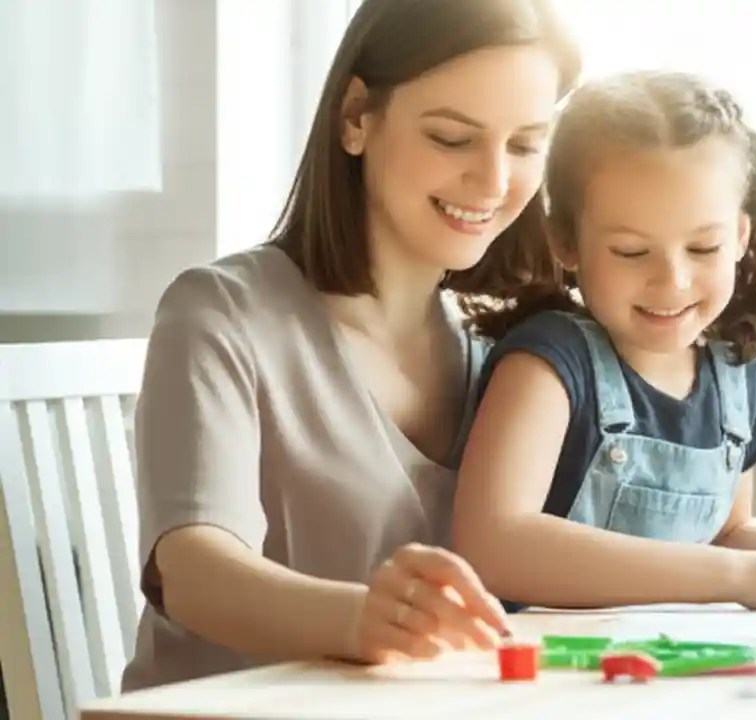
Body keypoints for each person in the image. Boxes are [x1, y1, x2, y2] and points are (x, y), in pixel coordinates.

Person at [122, 0, 580, 691]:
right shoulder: (221, 313)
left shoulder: (508, 350)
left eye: (523, 145)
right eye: (453, 138)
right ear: (355, 117)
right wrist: (363, 620)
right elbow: (191, 570)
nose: (493, 181)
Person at [452, 70, 756, 613]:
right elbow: (492, 545)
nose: (672, 281)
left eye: (703, 247)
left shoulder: (735, 378)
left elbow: (725, 537)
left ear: (741, 236)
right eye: (632, 252)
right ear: (566, 241)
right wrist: (745, 575)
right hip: (549, 676)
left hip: (666, 675)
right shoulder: (547, 366)